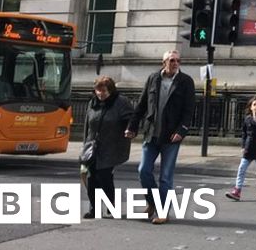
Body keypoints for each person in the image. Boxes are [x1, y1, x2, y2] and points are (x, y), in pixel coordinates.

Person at [125, 49, 196, 225]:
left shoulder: (186, 81)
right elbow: (142, 105)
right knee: (143, 170)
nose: (175, 63)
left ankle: (162, 211)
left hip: (172, 135)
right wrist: (132, 126)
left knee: (166, 176)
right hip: (151, 133)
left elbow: (189, 110)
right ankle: (152, 201)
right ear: (163, 62)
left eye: (178, 61)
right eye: (171, 60)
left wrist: (182, 130)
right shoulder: (153, 78)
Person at [81, 75, 134, 219]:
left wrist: (129, 129)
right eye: (98, 90)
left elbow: (131, 120)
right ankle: (95, 209)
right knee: (92, 178)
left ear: (110, 90)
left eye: (103, 91)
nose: (100, 94)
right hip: (93, 147)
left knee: (104, 177)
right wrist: (84, 147)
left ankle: (111, 204)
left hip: (112, 145)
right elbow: (88, 125)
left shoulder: (121, 102)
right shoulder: (93, 103)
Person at [226, 96, 256, 201]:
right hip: (249, 147)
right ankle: (237, 191)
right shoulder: (248, 119)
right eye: (254, 104)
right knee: (242, 168)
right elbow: (244, 133)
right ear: (251, 107)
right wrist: (243, 146)